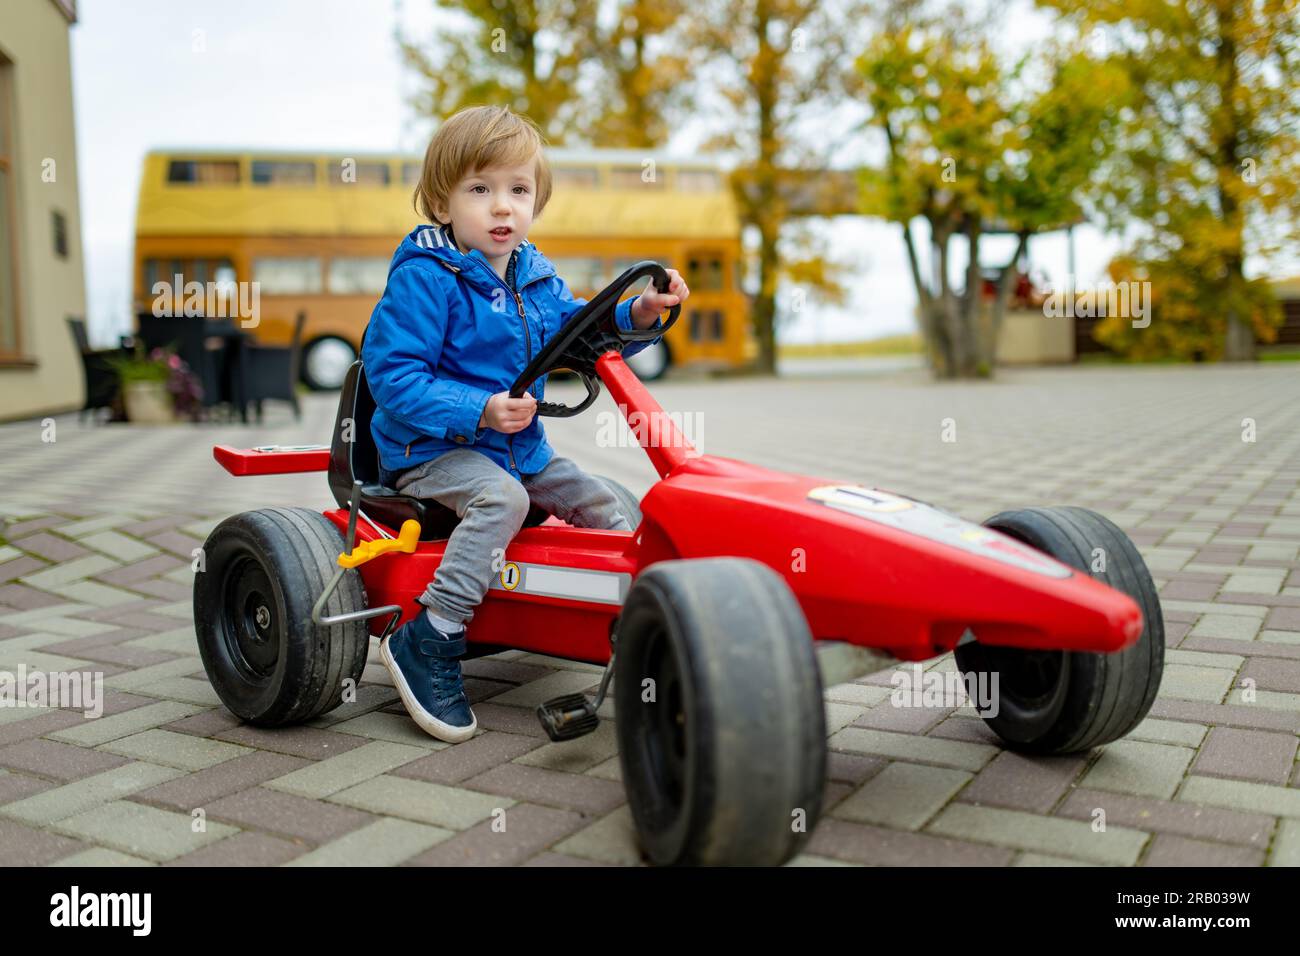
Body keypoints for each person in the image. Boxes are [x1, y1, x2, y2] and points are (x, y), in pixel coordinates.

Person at [361, 105, 690, 742]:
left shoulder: (532, 276)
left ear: (537, 200)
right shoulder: (426, 279)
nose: (502, 208)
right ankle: (432, 632)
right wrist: (478, 409)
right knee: (502, 498)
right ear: (442, 200)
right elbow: (393, 380)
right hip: (428, 449)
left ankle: (632, 626)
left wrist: (641, 314)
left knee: (602, 502)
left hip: (518, 447)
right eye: (480, 191)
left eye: (518, 190)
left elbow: (577, 330)